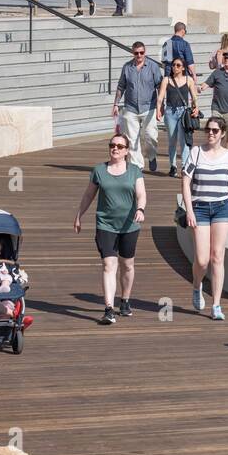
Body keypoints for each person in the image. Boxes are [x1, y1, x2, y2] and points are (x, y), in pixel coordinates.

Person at [73, 134, 146, 325]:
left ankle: (125, 300)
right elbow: (89, 195)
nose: (115, 148)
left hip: (129, 225)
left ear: (127, 151)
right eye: (112, 145)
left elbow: (141, 194)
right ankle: (108, 309)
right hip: (105, 224)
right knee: (108, 265)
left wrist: (140, 208)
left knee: (127, 265)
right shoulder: (99, 170)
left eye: (120, 146)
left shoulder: (134, 171)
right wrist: (79, 215)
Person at [181, 117, 228, 321]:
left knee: (217, 256)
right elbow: (185, 181)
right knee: (202, 260)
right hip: (199, 208)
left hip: (222, 208)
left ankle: (216, 304)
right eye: (208, 129)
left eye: (215, 131)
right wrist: (189, 210)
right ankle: (197, 286)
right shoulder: (196, 153)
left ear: (223, 133)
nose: (210, 133)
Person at [112, 41, 164, 172]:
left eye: (141, 52)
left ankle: (151, 156)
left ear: (145, 52)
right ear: (132, 53)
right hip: (131, 108)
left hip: (149, 108)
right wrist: (116, 104)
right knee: (131, 138)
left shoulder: (153, 67)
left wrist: (160, 105)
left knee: (151, 136)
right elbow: (121, 87)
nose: (139, 55)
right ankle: (138, 166)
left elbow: (160, 86)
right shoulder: (127, 67)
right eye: (136, 53)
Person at [156, 56, 199, 176]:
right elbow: (160, 97)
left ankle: (185, 165)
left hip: (183, 112)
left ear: (183, 68)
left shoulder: (188, 79)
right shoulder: (166, 79)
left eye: (178, 65)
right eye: (174, 65)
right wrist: (158, 109)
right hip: (170, 112)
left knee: (184, 140)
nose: (175, 67)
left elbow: (194, 96)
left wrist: (196, 107)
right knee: (172, 140)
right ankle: (173, 166)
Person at [199, 51, 228, 150]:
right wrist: (201, 87)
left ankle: (226, 151)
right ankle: (216, 149)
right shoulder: (217, 72)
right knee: (216, 129)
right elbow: (207, 83)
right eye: (225, 58)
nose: (226, 60)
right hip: (217, 108)